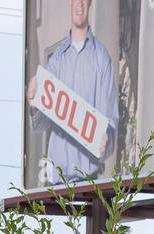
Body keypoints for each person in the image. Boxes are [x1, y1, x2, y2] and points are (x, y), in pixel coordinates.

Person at [28, 0, 120, 183]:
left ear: (90, 3)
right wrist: (34, 104)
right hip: (56, 180)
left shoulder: (102, 59)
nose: (79, 4)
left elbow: (109, 120)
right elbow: (41, 124)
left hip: (88, 180)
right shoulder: (56, 60)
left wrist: (106, 139)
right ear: (70, 3)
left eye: (84, 0)